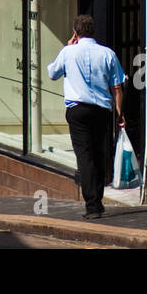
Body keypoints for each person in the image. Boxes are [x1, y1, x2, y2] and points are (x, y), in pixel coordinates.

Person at [46, 14, 126, 219]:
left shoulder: (68, 52)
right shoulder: (108, 53)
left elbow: (52, 73)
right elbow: (117, 87)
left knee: (85, 155)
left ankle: (92, 205)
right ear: (93, 31)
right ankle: (98, 200)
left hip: (77, 110)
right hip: (101, 110)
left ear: (76, 32)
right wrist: (120, 114)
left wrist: (67, 45)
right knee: (100, 154)